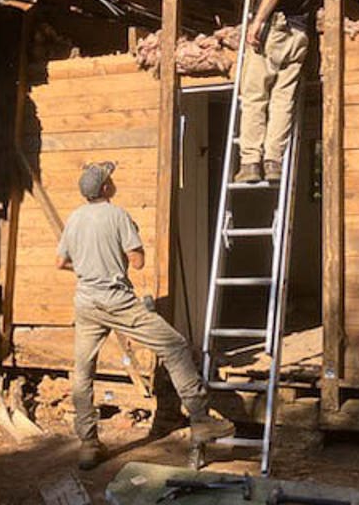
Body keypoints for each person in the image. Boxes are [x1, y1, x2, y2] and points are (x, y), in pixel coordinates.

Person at [57, 161, 235, 470]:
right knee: (175, 346)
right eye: (110, 179)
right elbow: (137, 262)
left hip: (86, 303)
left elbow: (61, 262)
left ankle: (87, 444)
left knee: (83, 371)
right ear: (104, 189)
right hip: (118, 302)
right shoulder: (117, 215)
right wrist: (118, 260)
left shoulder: (74, 219)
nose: (113, 182)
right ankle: (200, 418)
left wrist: (88, 270)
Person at [235, 0, 316, 184]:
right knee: (283, 97)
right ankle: (274, 161)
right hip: (300, 32)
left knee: (256, 93)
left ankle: (250, 162)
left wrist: (257, 21)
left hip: (277, 28)